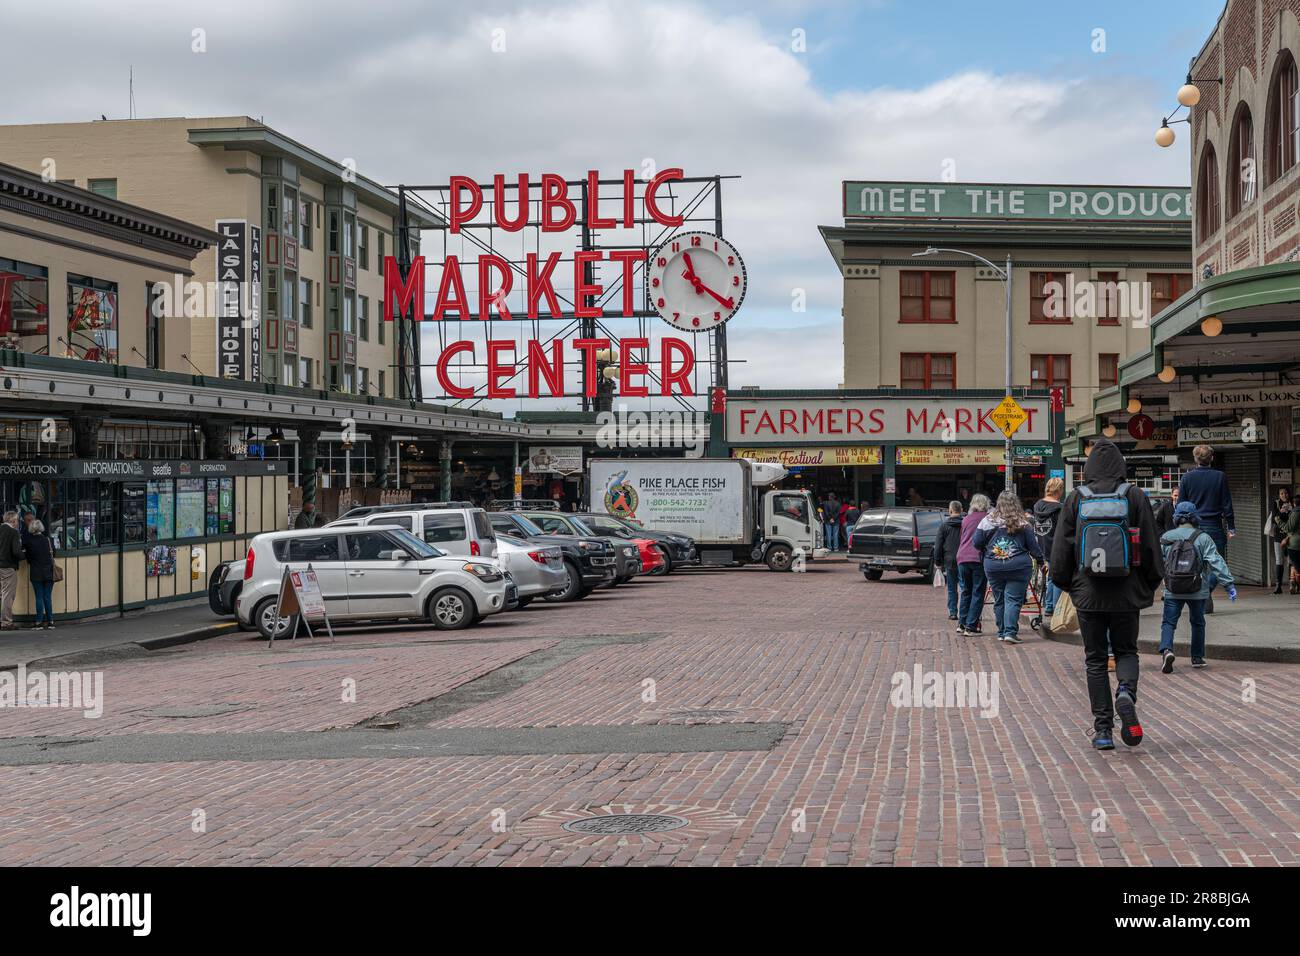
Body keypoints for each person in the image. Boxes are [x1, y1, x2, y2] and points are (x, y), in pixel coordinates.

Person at [1051, 439, 1164, 751]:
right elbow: (1153, 548)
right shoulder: (1135, 496)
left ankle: (1103, 730)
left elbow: (1060, 551)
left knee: (1096, 660)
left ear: (1088, 469)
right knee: (1127, 651)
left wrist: (1068, 585)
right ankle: (1126, 691)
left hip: (1088, 593)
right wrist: (1148, 584)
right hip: (1127, 593)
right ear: (1120, 466)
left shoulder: (1076, 498)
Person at [1158, 501, 1235, 673]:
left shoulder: (1167, 537)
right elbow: (1216, 562)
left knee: (1169, 622)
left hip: (1173, 589)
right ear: (1194, 517)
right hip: (1197, 589)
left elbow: (1158, 563)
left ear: (1176, 517)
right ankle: (1197, 657)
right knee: (1198, 622)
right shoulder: (1203, 537)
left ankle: (1167, 650)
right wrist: (1228, 584)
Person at [974, 491, 1043, 644]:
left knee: (999, 599)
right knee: (1013, 599)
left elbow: (976, 542)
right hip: (1019, 566)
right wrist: (1040, 560)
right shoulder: (1023, 522)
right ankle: (1010, 632)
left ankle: (1002, 631)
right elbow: (1033, 547)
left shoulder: (987, 521)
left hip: (993, 566)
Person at [1178, 445, 1234, 613]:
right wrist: (1231, 526)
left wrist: (1179, 527)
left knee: (1194, 564)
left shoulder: (1187, 479)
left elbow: (1181, 506)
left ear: (1196, 459)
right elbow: (1227, 503)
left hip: (1192, 528)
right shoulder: (1220, 477)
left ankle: (1201, 593)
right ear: (1212, 458)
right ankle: (1206, 591)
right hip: (1215, 525)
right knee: (1219, 564)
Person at [955, 494, 991, 636]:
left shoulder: (966, 519)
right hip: (978, 558)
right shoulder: (987, 519)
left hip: (962, 557)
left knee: (966, 591)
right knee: (978, 592)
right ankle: (971, 625)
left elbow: (962, 537)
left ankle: (962, 623)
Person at [1032, 477, 1065, 632]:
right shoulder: (1060, 508)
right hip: (1056, 547)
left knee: (1050, 577)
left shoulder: (1038, 505)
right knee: (1057, 578)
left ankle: (1049, 606)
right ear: (1059, 490)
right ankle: (1056, 609)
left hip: (1042, 546)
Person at [931, 501, 964, 622]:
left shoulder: (944, 526)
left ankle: (953, 612)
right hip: (964, 559)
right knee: (965, 587)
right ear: (961, 510)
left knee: (951, 588)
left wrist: (937, 562)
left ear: (950, 511)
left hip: (949, 560)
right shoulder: (965, 524)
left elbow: (938, 546)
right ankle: (965, 612)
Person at [24, 519, 56, 630]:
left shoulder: (28, 542)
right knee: (47, 597)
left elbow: (28, 558)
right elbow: (54, 554)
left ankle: (39, 622)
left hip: (36, 572)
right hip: (49, 572)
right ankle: (51, 621)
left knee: (39, 597)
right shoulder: (48, 540)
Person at [1268, 487, 1294, 595]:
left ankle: (1293, 584)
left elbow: (1294, 517)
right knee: (1279, 560)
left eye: (1286, 493)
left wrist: (1289, 510)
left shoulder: (1293, 503)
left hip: (1291, 536)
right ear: (1279, 495)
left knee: (1291, 560)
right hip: (1278, 536)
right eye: (1282, 493)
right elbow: (1275, 517)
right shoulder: (1276, 503)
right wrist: (1281, 512)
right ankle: (1278, 586)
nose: (1284, 495)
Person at [0, 511, 23, 630]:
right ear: (13, 521)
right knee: (8, 595)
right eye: (17, 521)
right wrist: (24, 555)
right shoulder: (14, 532)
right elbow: (16, 551)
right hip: (8, 567)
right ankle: (6, 622)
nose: (18, 523)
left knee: (1, 594)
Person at [1283, 503, 1300, 595]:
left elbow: (1289, 528)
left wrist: (1278, 520)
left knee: (1294, 564)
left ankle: (1293, 583)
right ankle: (1294, 584)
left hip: (1293, 543)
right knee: (1294, 564)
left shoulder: (1294, 513)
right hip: (1292, 542)